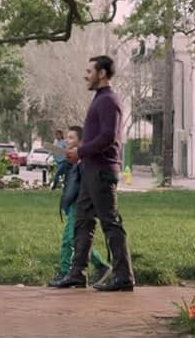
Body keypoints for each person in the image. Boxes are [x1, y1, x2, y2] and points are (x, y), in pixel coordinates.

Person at [52, 55, 135, 292]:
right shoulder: (99, 99)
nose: (85, 75)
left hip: (102, 171)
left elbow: (108, 138)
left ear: (102, 73)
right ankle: (77, 273)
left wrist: (81, 151)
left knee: (111, 223)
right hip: (90, 170)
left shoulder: (109, 100)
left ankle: (124, 277)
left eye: (89, 71)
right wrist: (78, 153)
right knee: (82, 222)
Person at [47, 126, 110, 287]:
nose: (67, 141)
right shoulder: (69, 160)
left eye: (71, 138)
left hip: (80, 202)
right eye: (66, 138)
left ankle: (64, 271)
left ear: (81, 142)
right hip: (71, 203)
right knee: (78, 239)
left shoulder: (86, 160)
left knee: (69, 238)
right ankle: (101, 266)